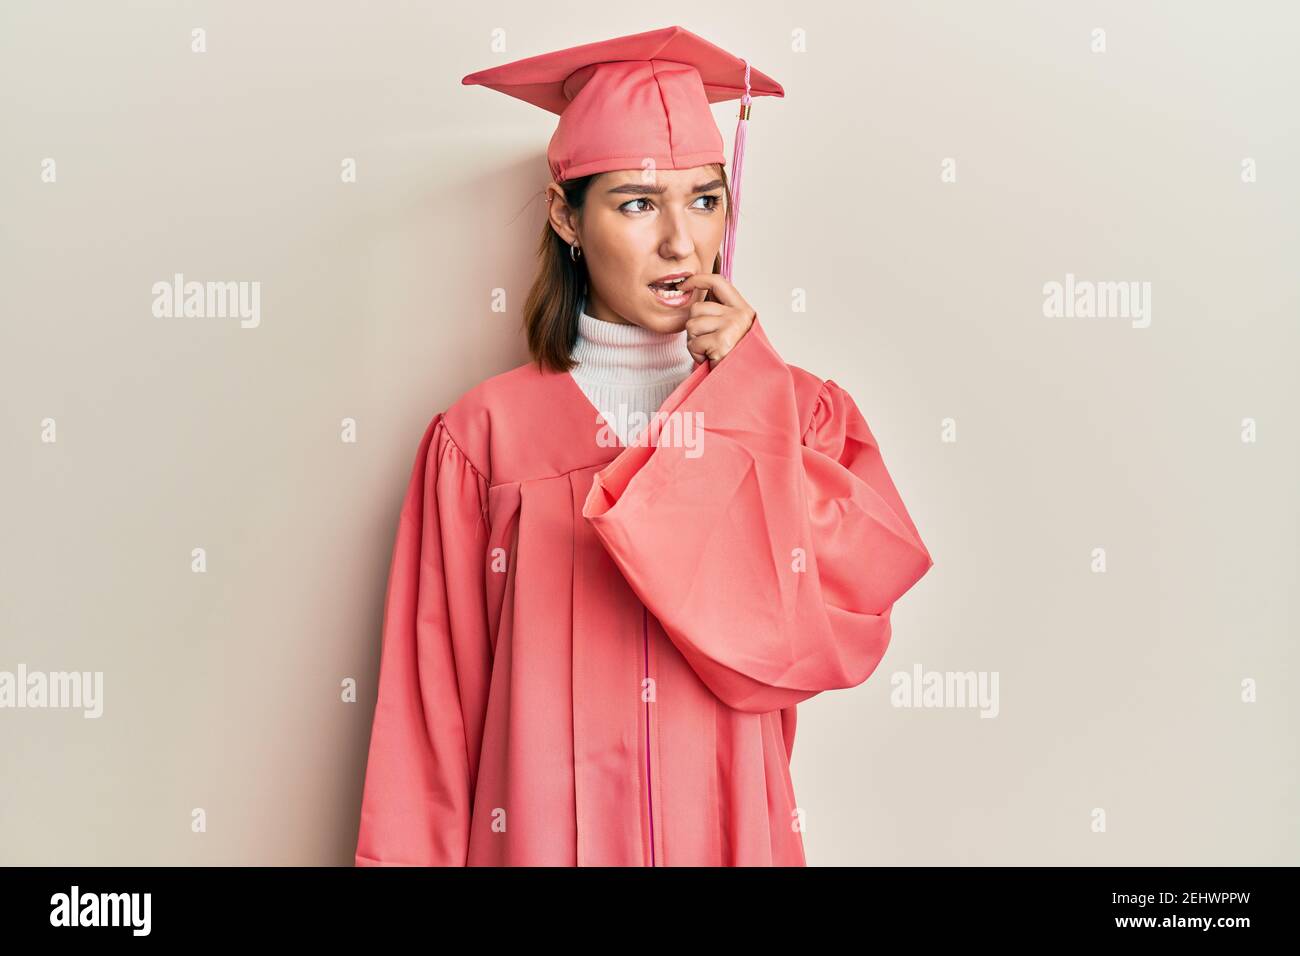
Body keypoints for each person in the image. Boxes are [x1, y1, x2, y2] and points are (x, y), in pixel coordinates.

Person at [354, 25, 934, 867]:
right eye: (636, 203)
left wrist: (747, 397)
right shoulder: (482, 440)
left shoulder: (795, 411)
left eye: (704, 200)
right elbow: (429, 728)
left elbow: (836, 622)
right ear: (566, 216)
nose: (681, 242)